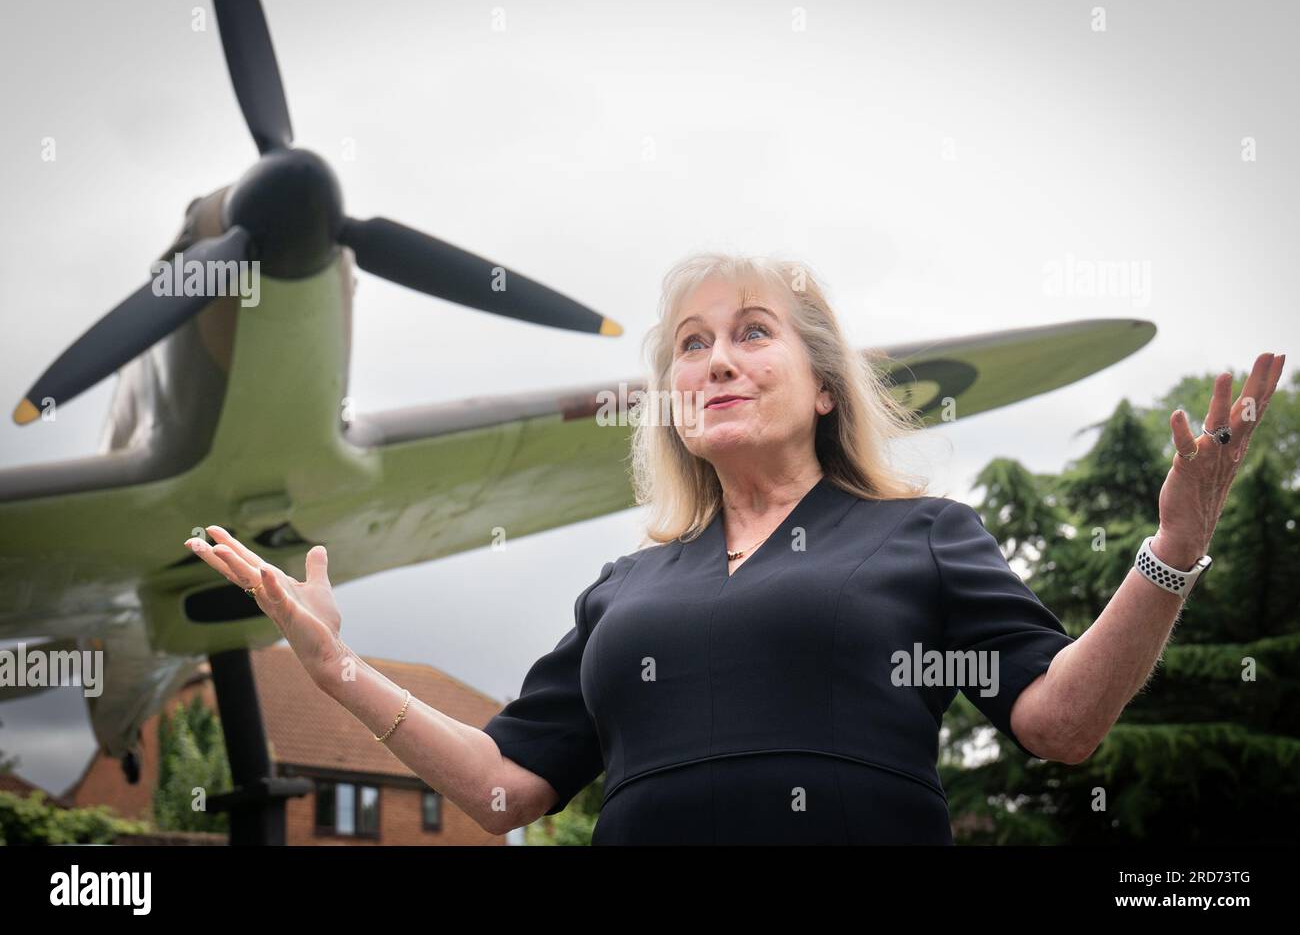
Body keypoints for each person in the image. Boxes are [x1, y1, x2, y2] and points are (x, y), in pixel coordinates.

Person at [187, 252, 1285, 844]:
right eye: (690, 346)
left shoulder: (924, 534)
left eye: (750, 333)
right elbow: (504, 790)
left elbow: (1061, 723)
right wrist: (338, 669)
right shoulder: (623, 588)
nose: (713, 360)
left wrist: (1171, 546)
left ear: (820, 387)